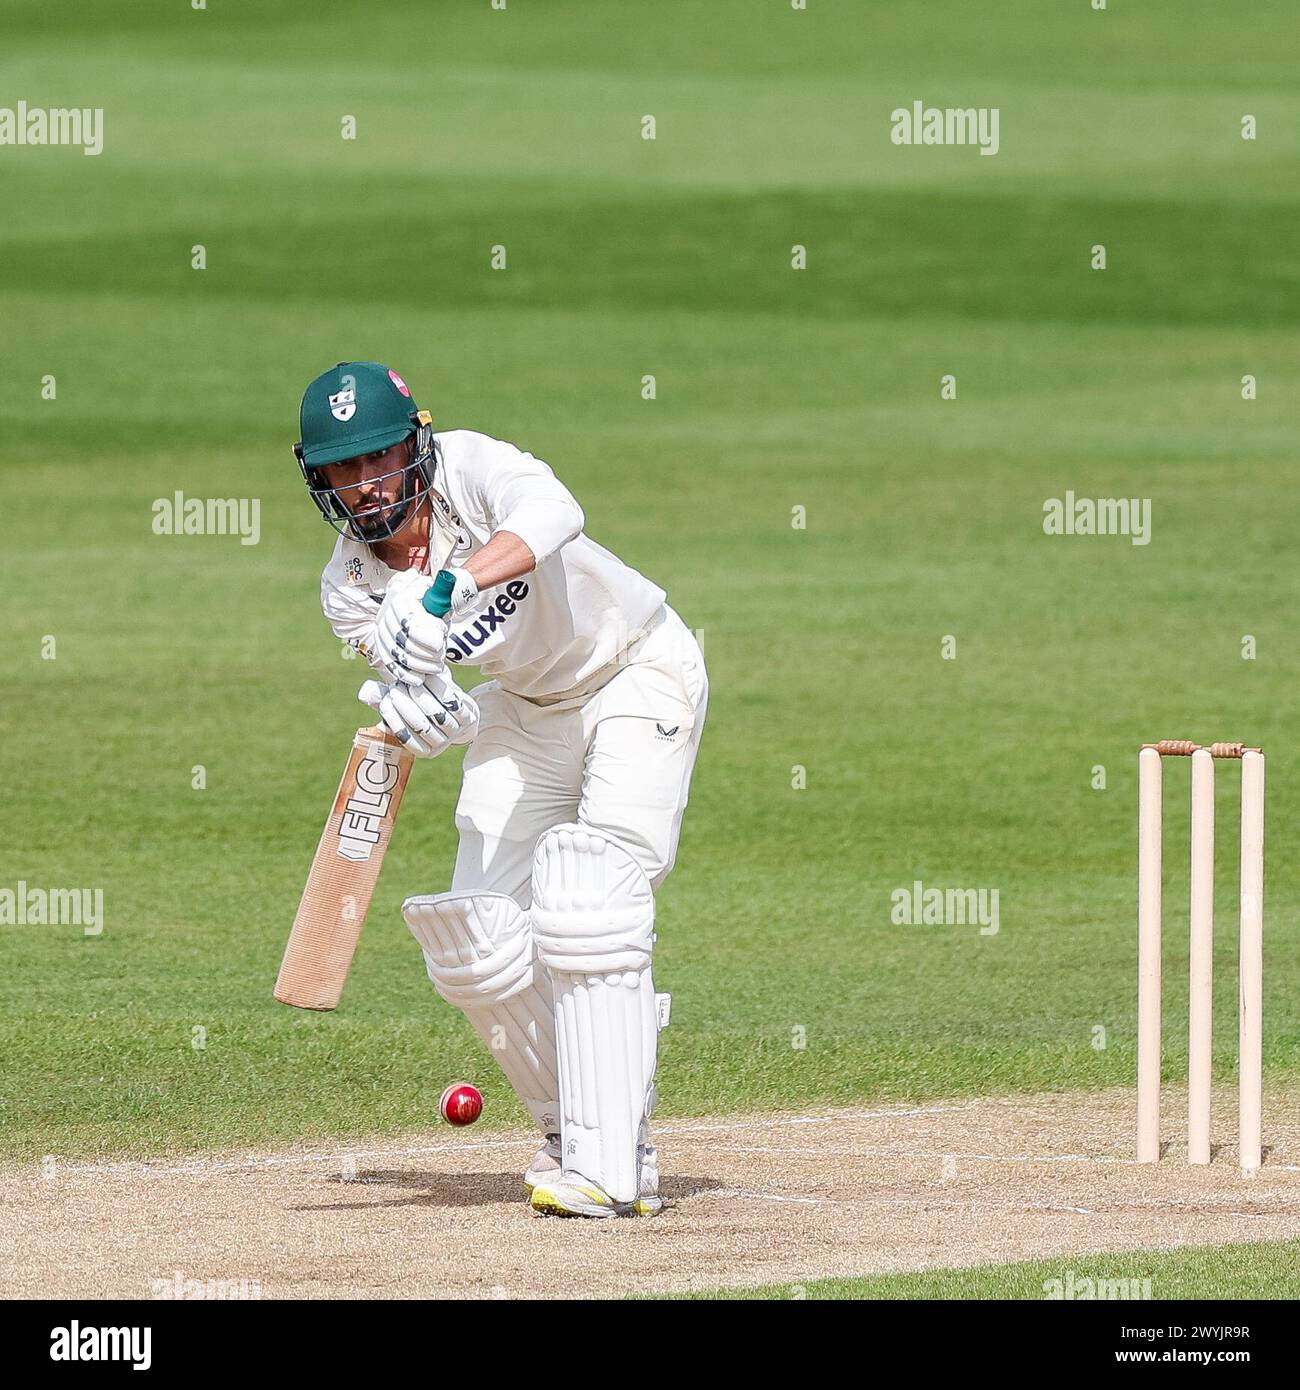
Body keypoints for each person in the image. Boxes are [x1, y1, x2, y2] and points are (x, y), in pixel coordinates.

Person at [294, 361, 708, 1217]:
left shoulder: (472, 469)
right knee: (473, 942)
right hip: (524, 708)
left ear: (416, 443)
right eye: (343, 469)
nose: (365, 485)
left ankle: (609, 1171)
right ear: (319, 478)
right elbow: (424, 694)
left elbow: (558, 512)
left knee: (588, 897)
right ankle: (583, 1130)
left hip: (634, 669)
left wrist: (451, 587)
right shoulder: (348, 590)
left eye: (377, 459)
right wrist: (432, 715)